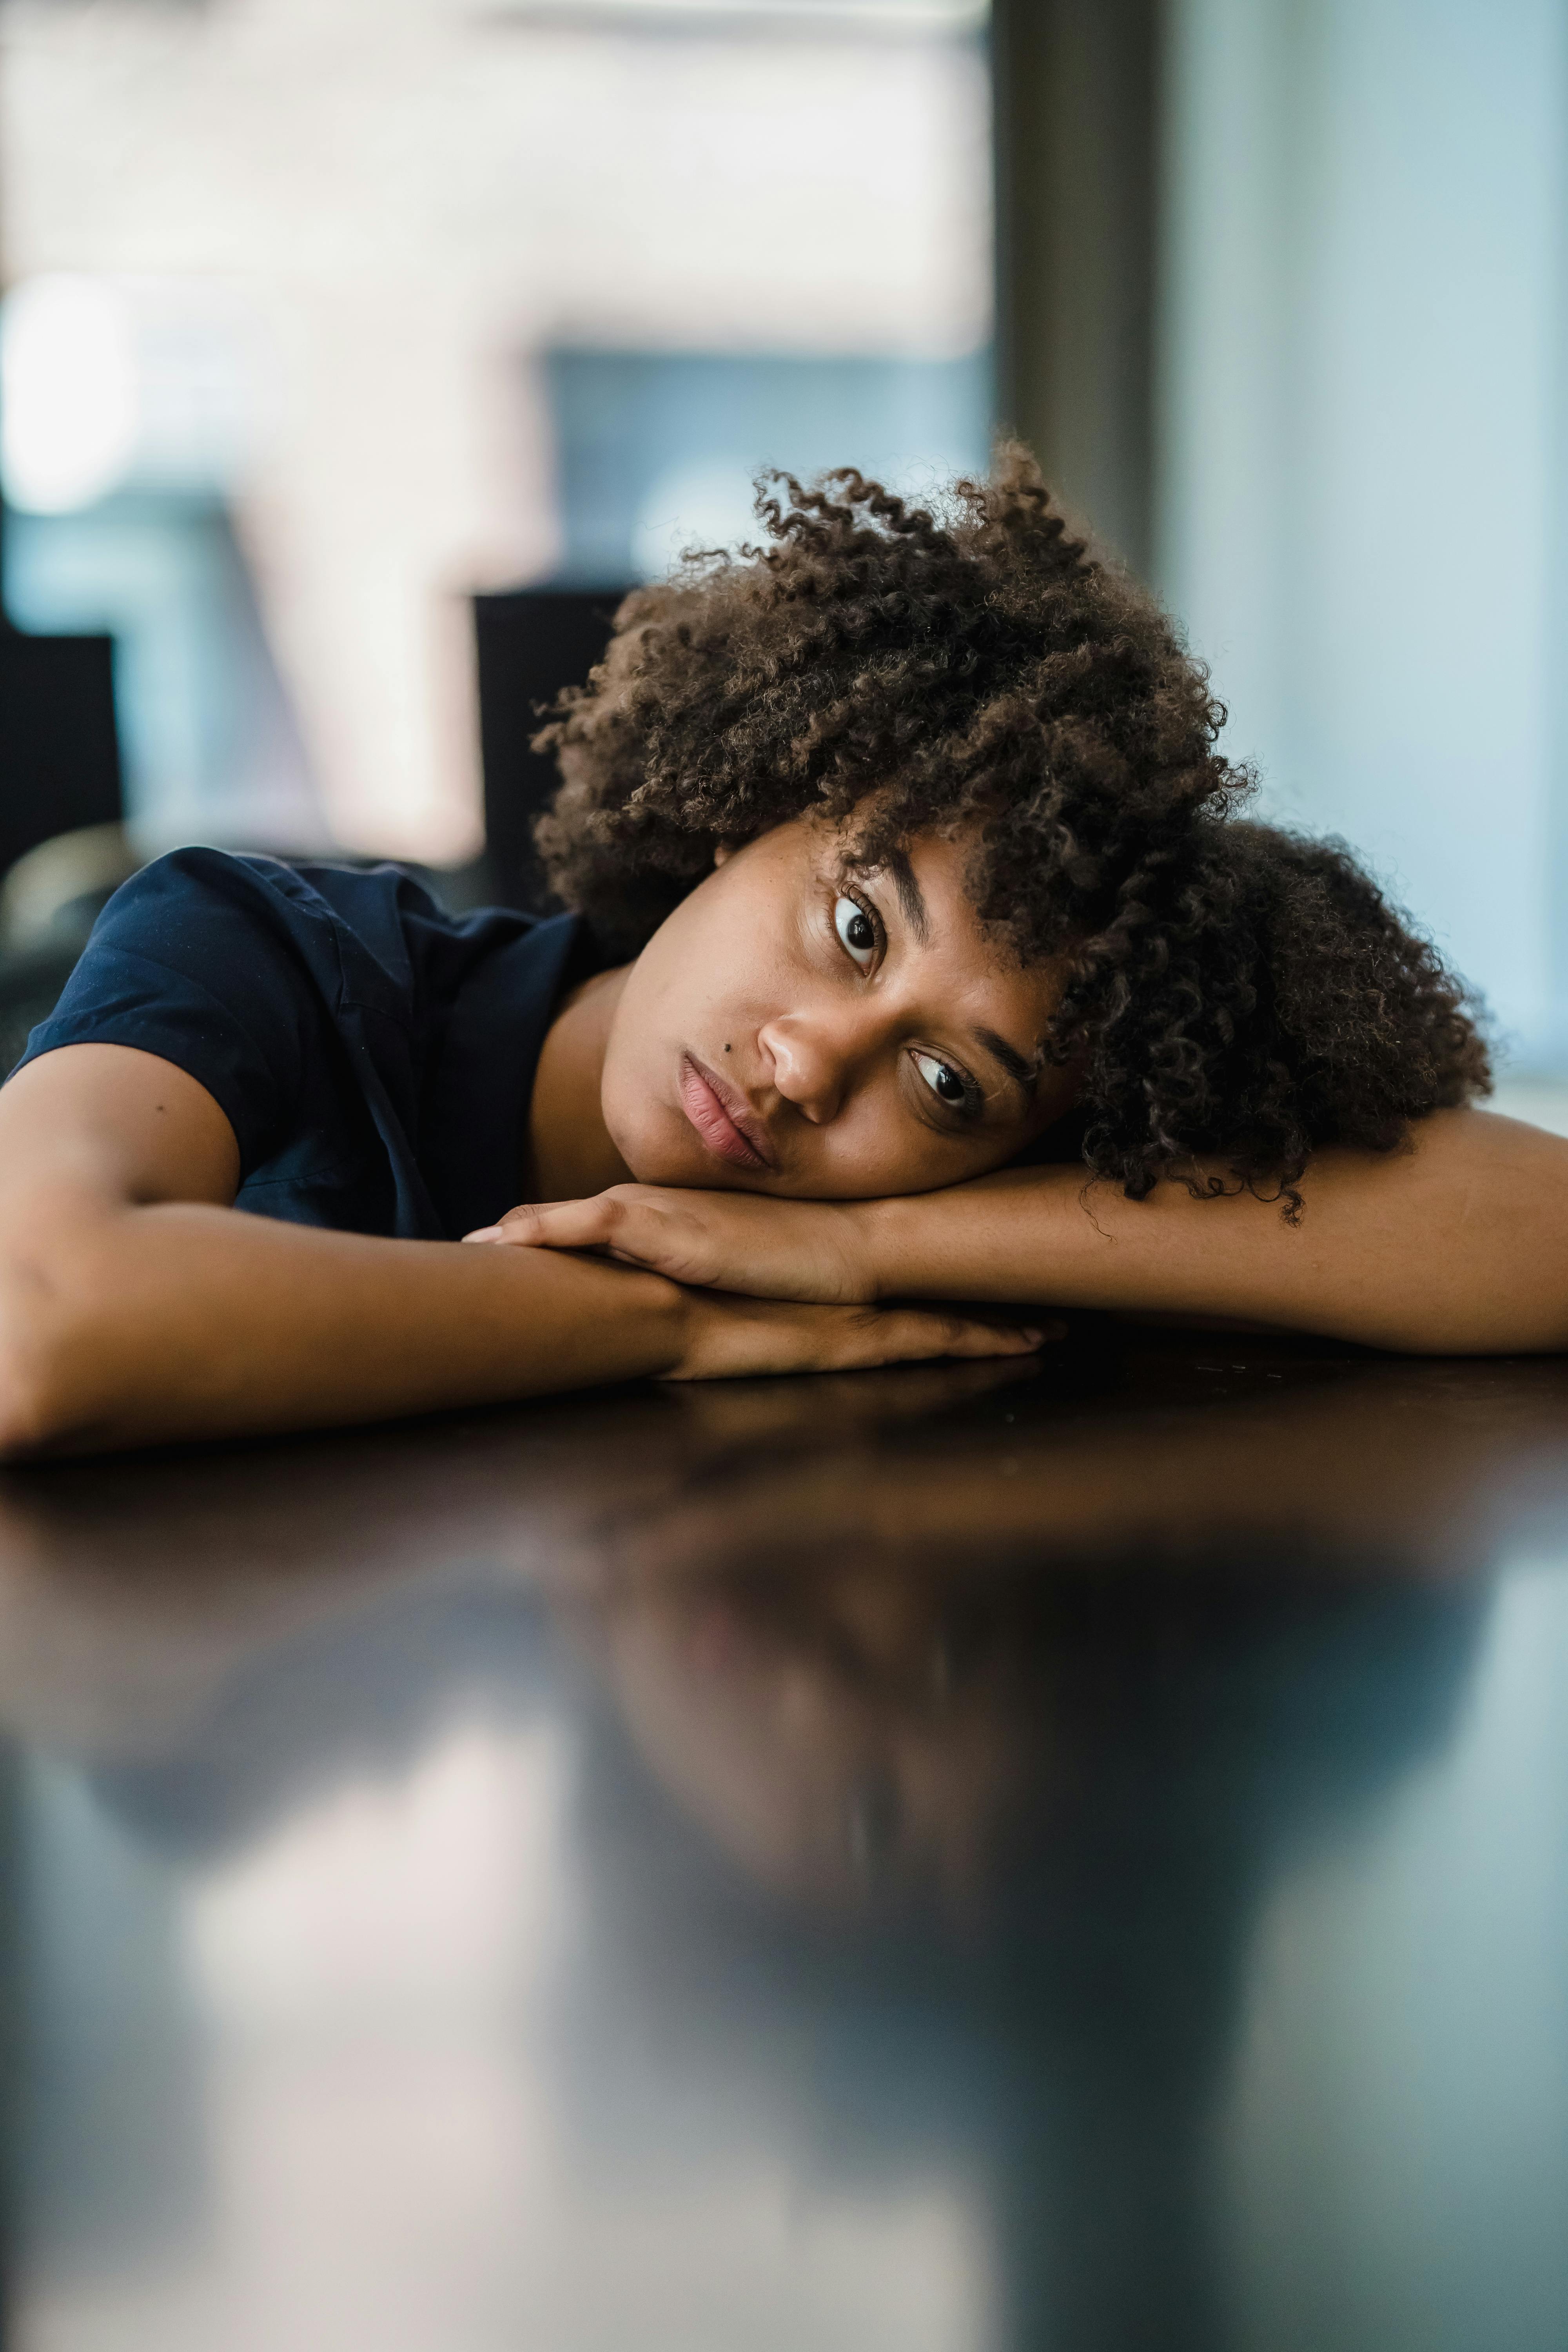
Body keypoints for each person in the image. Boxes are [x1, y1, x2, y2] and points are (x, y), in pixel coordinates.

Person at [0, 449, 1564, 1456]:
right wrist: (670, 1317)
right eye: (858, 925)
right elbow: (36, 1321)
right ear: (751, 801)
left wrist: (862, 1252)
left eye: (947, 1080)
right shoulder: (257, 944)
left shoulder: (893, 1231)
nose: (814, 1061)